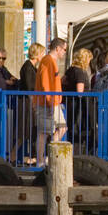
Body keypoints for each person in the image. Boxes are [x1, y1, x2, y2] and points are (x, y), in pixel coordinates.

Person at [34, 37, 68, 166]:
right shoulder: (48, 61)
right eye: (64, 49)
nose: (64, 52)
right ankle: (41, 160)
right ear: (57, 48)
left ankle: (48, 157)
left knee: (61, 127)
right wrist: (51, 102)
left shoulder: (50, 61)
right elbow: (46, 83)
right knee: (43, 132)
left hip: (52, 102)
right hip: (47, 102)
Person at [62, 48, 93, 154]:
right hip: (79, 106)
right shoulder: (80, 72)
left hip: (70, 103)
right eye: (89, 59)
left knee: (71, 128)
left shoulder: (70, 69)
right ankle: (76, 154)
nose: (89, 62)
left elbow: (63, 81)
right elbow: (80, 91)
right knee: (77, 130)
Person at [18, 42, 45, 165]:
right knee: (27, 131)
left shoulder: (32, 67)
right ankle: (17, 155)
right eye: (42, 53)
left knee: (32, 130)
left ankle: (33, 156)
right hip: (29, 103)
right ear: (37, 54)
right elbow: (29, 86)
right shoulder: (28, 67)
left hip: (32, 102)